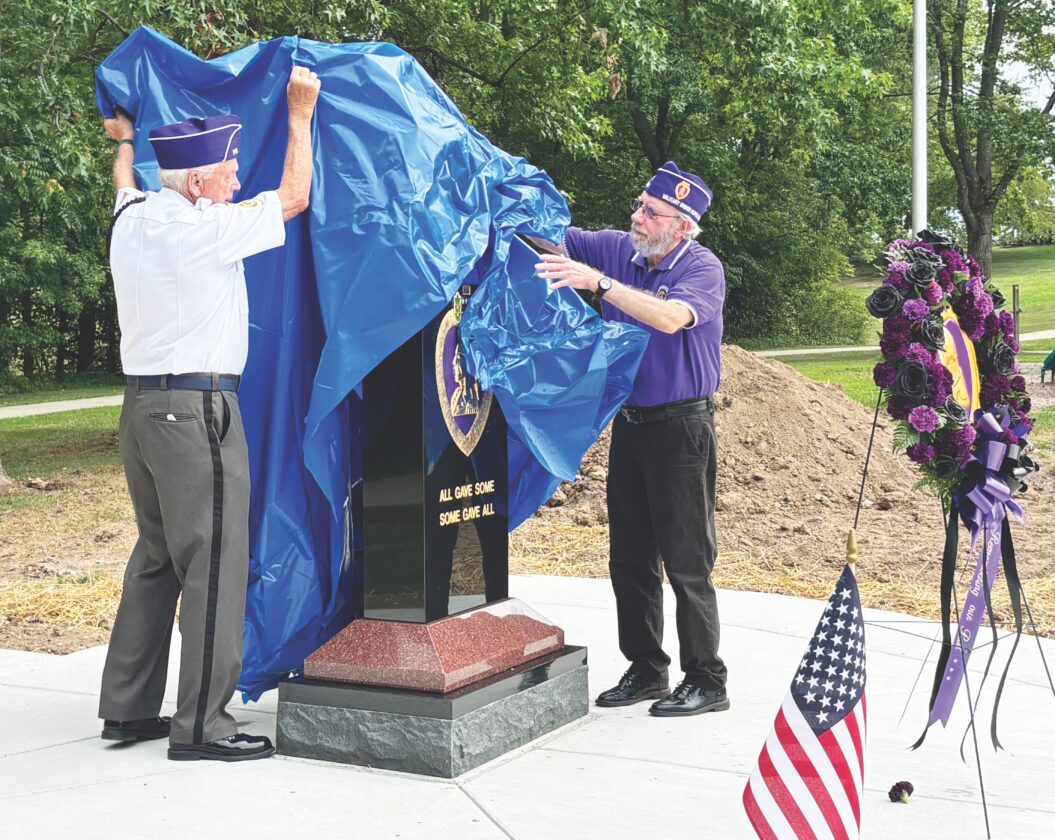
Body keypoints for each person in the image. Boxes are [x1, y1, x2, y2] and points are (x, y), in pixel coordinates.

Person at [97, 67, 321, 761]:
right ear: (196, 184)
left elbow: (122, 181)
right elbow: (293, 196)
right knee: (215, 563)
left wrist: (125, 138)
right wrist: (300, 114)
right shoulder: (208, 229)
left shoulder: (133, 218)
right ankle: (202, 726)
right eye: (225, 171)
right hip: (197, 412)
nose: (232, 180)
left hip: (141, 412)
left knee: (157, 556)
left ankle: (128, 709)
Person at [534, 161, 728, 717]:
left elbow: (669, 318)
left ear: (681, 226)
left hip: (682, 427)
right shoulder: (623, 249)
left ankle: (707, 679)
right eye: (640, 204)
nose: (636, 216)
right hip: (632, 423)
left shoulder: (701, 268)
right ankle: (647, 668)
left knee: (686, 558)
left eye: (651, 211)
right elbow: (551, 233)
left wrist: (599, 283)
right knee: (630, 556)